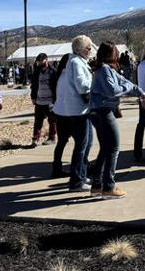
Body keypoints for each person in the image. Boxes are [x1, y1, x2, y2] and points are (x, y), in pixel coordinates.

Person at [89, 42, 145, 199]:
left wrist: (139, 91)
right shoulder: (105, 69)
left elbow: (124, 82)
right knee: (113, 148)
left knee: (105, 148)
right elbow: (113, 90)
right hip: (103, 112)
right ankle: (108, 186)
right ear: (111, 54)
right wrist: (129, 90)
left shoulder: (104, 69)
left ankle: (97, 185)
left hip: (97, 112)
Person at [54, 35, 94, 192]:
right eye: (88, 48)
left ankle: (81, 175)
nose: (90, 51)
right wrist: (95, 80)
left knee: (85, 144)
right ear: (80, 50)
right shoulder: (76, 62)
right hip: (79, 111)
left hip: (80, 109)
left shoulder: (76, 61)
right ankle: (77, 180)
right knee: (82, 146)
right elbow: (82, 86)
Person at [51, 53, 71, 178]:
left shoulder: (56, 76)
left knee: (61, 141)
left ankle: (56, 167)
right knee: (82, 142)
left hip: (58, 111)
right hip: (69, 112)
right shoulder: (67, 76)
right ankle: (82, 166)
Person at [30, 53, 57, 148]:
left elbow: (56, 86)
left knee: (52, 120)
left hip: (50, 101)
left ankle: (52, 137)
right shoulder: (36, 72)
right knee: (38, 121)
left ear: (46, 60)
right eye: (39, 62)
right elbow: (33, 86)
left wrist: (55, 99)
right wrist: (33, 97)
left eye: (42, 61)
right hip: (39, 101)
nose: (40, 63)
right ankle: (35, 138)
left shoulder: (53, 71)